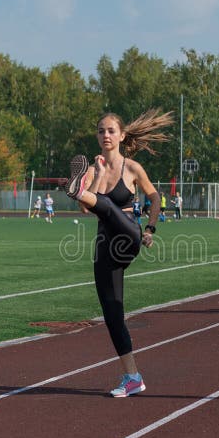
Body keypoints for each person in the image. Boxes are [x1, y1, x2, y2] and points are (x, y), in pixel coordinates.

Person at [65, 109, 173, 397]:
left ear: (122, 136)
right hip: (106, 243)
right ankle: (133, 376)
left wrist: (151, 228)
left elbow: (154, 197)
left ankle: (76, 190)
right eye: (101, 131)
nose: (106, 135)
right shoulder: (92, 170)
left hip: (129, 235)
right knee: (113, 313)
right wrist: (98, 175)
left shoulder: (133, 168)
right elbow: (86, 210)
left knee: (112, 209)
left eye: (111, 130)